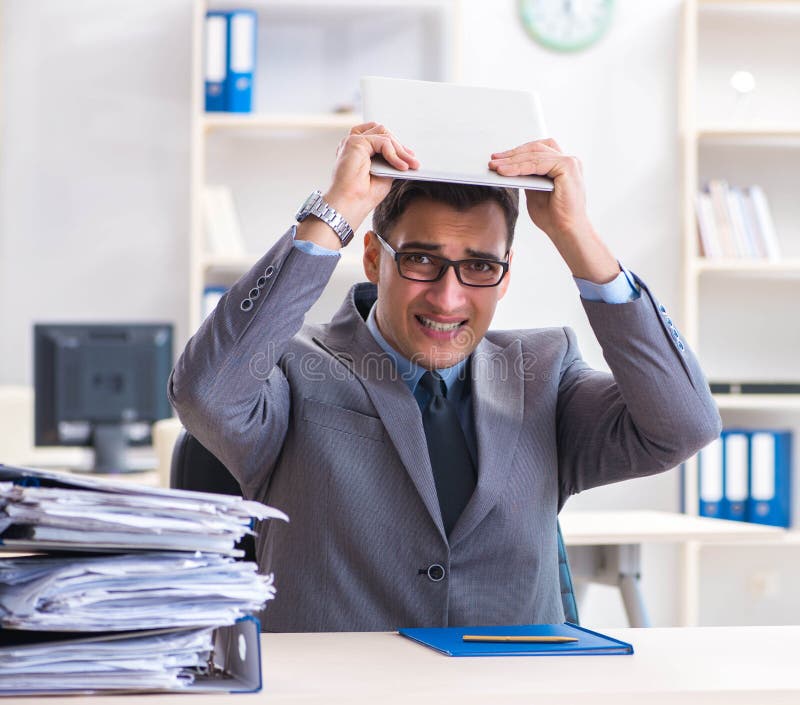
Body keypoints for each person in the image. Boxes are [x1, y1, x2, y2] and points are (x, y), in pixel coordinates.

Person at [169, 123, 721, 632]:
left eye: (480, 266)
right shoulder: (291, 368)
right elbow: (206, 393)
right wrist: (334, 210)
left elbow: (684, 425)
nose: (448, 297)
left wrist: (577, 236)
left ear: (504, 277)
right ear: (371, 258)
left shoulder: (545, 372)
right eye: (420, 260)